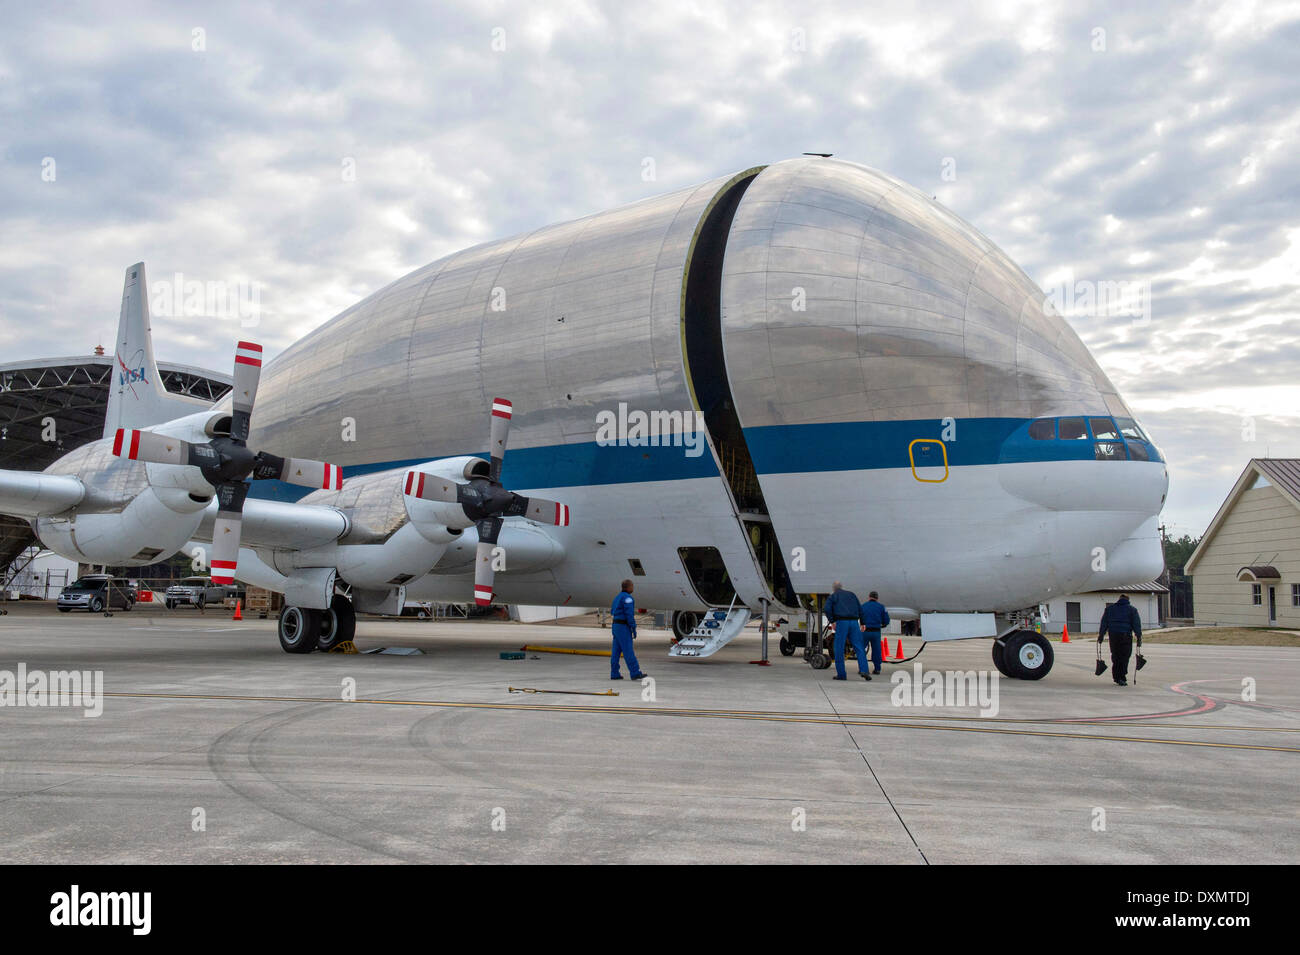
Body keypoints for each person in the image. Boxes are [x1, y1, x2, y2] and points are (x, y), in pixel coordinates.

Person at [823, 581, 870, 681]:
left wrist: (832, 621)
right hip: (854, 623)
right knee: (859, 647)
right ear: (842, 587)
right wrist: (862, 623)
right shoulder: (851, 594)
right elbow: (860, 609)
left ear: (834, 588)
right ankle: (864, 670)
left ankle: (841, 674)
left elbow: (827, 608)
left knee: (839, 648)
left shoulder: (833, 596)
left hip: (842, 622)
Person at [1098, 593, 1142, 686]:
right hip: (1125, 636)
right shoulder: (1132, 610)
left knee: (1115, 656)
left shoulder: (1109, 609)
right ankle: (1122, 677)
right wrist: (1138, 637)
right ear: (1128, 600)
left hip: (1113, 636)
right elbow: (1136, 624)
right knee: (1124, 657)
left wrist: (1101, 635)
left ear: (1119, 599)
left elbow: (1104, 623)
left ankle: (1116, 676)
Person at [610, 579, 647, 681]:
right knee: (628, 650)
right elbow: (629, 615)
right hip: (623, 627)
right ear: (628, 587)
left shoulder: (617, 597)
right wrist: (633, 627)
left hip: (615, 626)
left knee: (616, 652)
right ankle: (635, 672)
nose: (633, 588)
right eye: (632, 586)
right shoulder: (628, 598)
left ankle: (614, 673)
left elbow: (612, 611)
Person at [859, 591, 890, 675]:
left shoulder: (863, 606)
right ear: (877, 598)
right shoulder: (881, 607)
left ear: (869, 597)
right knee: (876, 651)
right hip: (876, 632)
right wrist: (883, 624)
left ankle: (863, 669)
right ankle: (877, 669)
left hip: (865, 631)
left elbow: (859, 616)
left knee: (861, 650)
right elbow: (886, 620)